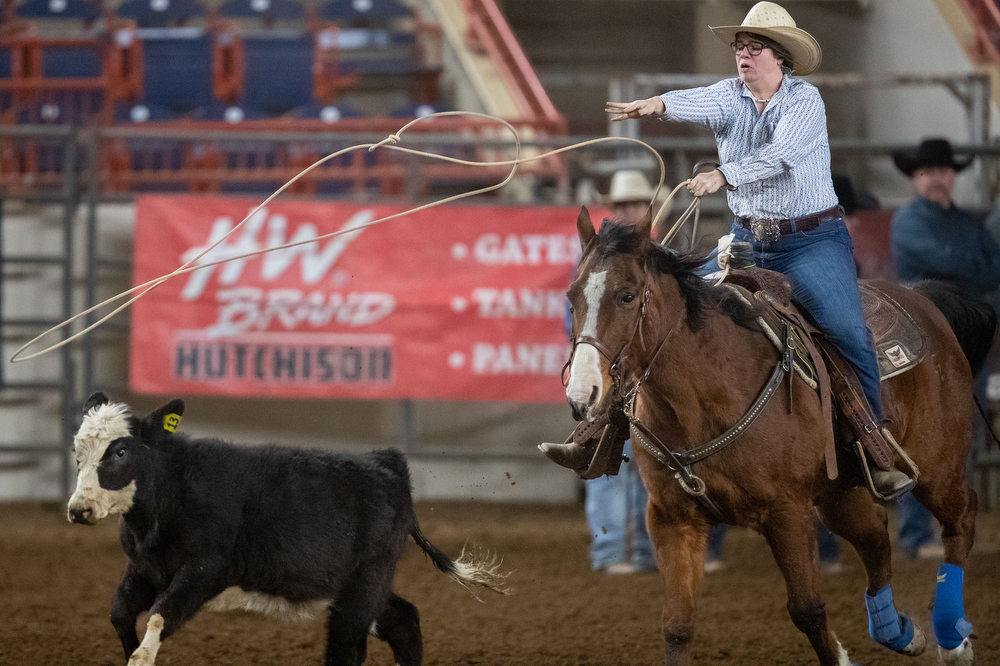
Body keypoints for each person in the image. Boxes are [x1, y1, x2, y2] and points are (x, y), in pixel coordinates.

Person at [598, 1, 912, 499]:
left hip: (811, 241)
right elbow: (696, 100)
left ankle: (876, 449)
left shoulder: (805, 102)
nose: (744, 55)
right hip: (748, 240)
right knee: (677, 317)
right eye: (740, 47)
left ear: (780, 57)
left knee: (847, 331)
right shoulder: (729, 95)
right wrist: (656, 104)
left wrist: (724, 174)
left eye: (755, 47)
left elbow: (784, 155)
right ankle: (609, 436)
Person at [890, 137, 1000, 559]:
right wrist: (975, 268)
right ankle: (917, 535)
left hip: (963, 336)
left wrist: (968, 266)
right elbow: (983, 267)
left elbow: (988, 266)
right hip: (926, 337)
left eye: (943, 171)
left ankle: (946, 527)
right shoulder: (910, 222)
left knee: (960, 433)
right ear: (917, 177)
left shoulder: (961, 225)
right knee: (917, 432)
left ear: (953, 176)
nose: (938, 178)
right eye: (929, 172)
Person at [580, 170, 659, 573]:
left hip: (650, 378)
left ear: (647, 210)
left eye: (635, 205)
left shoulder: (660, 259)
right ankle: (611, 552)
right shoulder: (598, 260)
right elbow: (579, 314)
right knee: (610, 462)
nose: (628, 212)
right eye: (622, 206)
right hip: (612, 373)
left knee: (651, 465)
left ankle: (646, 550)